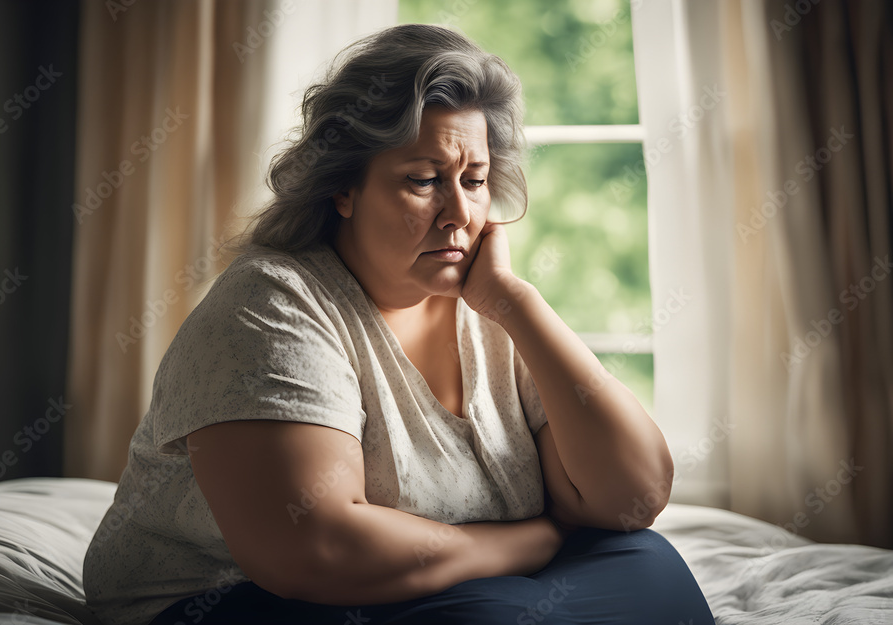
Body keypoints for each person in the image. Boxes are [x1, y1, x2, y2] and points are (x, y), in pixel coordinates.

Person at [82, 23, 716, 625]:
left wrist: (518, 305)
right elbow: (316, 551)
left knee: (652, 563)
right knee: (493, 617)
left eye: (475, 180)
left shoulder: (488, 307)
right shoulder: (270, 305)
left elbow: (631, 496)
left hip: (443, 588)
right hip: (228, 601)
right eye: (423, 181)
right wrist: (536, 543)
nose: (460, 215)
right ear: (342, 189)